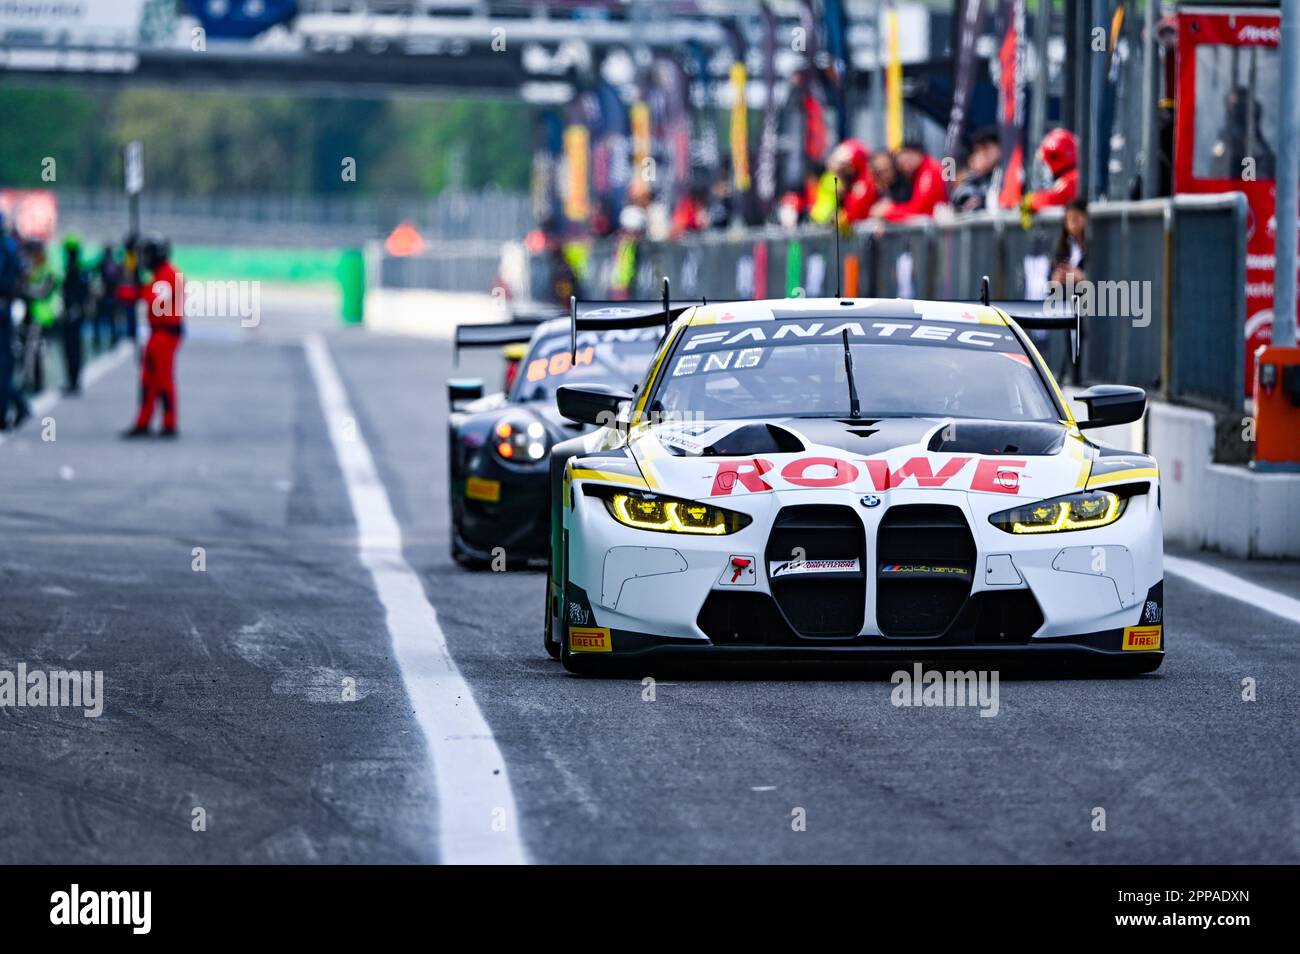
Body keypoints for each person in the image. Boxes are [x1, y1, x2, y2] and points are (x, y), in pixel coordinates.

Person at [121, 236, 183, 438]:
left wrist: (138, 287)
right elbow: (134, 293)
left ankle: (169, 423)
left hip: (166, 333)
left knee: (163, 380)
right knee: (148, 380)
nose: (144, 259)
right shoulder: (159, 274)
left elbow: (153, 298)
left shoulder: (170, 275)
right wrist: (129, 259)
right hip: (157, 333)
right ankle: (143, 422)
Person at [0, 213, 30, 430]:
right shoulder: (10, 247)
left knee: (4, 364)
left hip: (4, 311)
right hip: (7, 310)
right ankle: (18, 405)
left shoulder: (7, 248)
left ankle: (11, 408)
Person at [871, 143, 947, 221]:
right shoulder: (919, 173)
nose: (905, 167)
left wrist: (889, 211)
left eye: (904, 161)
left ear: (912, 153)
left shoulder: (929, 172)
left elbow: (918, 210)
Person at [1020, 128, 1079, 226]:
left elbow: (1052, 199)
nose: (1045, 169)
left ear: (1055, 157)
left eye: (1045, 163)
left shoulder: (1072, 179)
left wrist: (1029, 201)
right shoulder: (1071, 177)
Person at [21, 240, 57, 396]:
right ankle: (33, 380)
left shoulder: (48, 270)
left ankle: (38, 383)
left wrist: (25, 290)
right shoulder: (33, 269)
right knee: (31, 350)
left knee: (36, 351)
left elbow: (43, 292)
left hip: (41, 316)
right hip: (32, 315)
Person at [59, 234, 89, 395]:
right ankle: (72, 380)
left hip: (73, 315)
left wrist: (74, 310)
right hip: (71, 314)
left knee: (73, 348)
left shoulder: (76, 269)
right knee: (70, 348)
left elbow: (81, 294)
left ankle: (74, 381)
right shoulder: (73, 268)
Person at [950, 127, 1001, 213]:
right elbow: (961, 197)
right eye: (977, 151)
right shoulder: (975, 179)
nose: (982, 155)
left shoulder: (1010, 171)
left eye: (986, 149)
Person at [94, 243, 122, 349]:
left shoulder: (104, 262)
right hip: (111, 295)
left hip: (105, 295)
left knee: (99, 319)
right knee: (111, 319)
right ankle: (113, 339)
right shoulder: (114, 262)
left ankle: (98, 340)